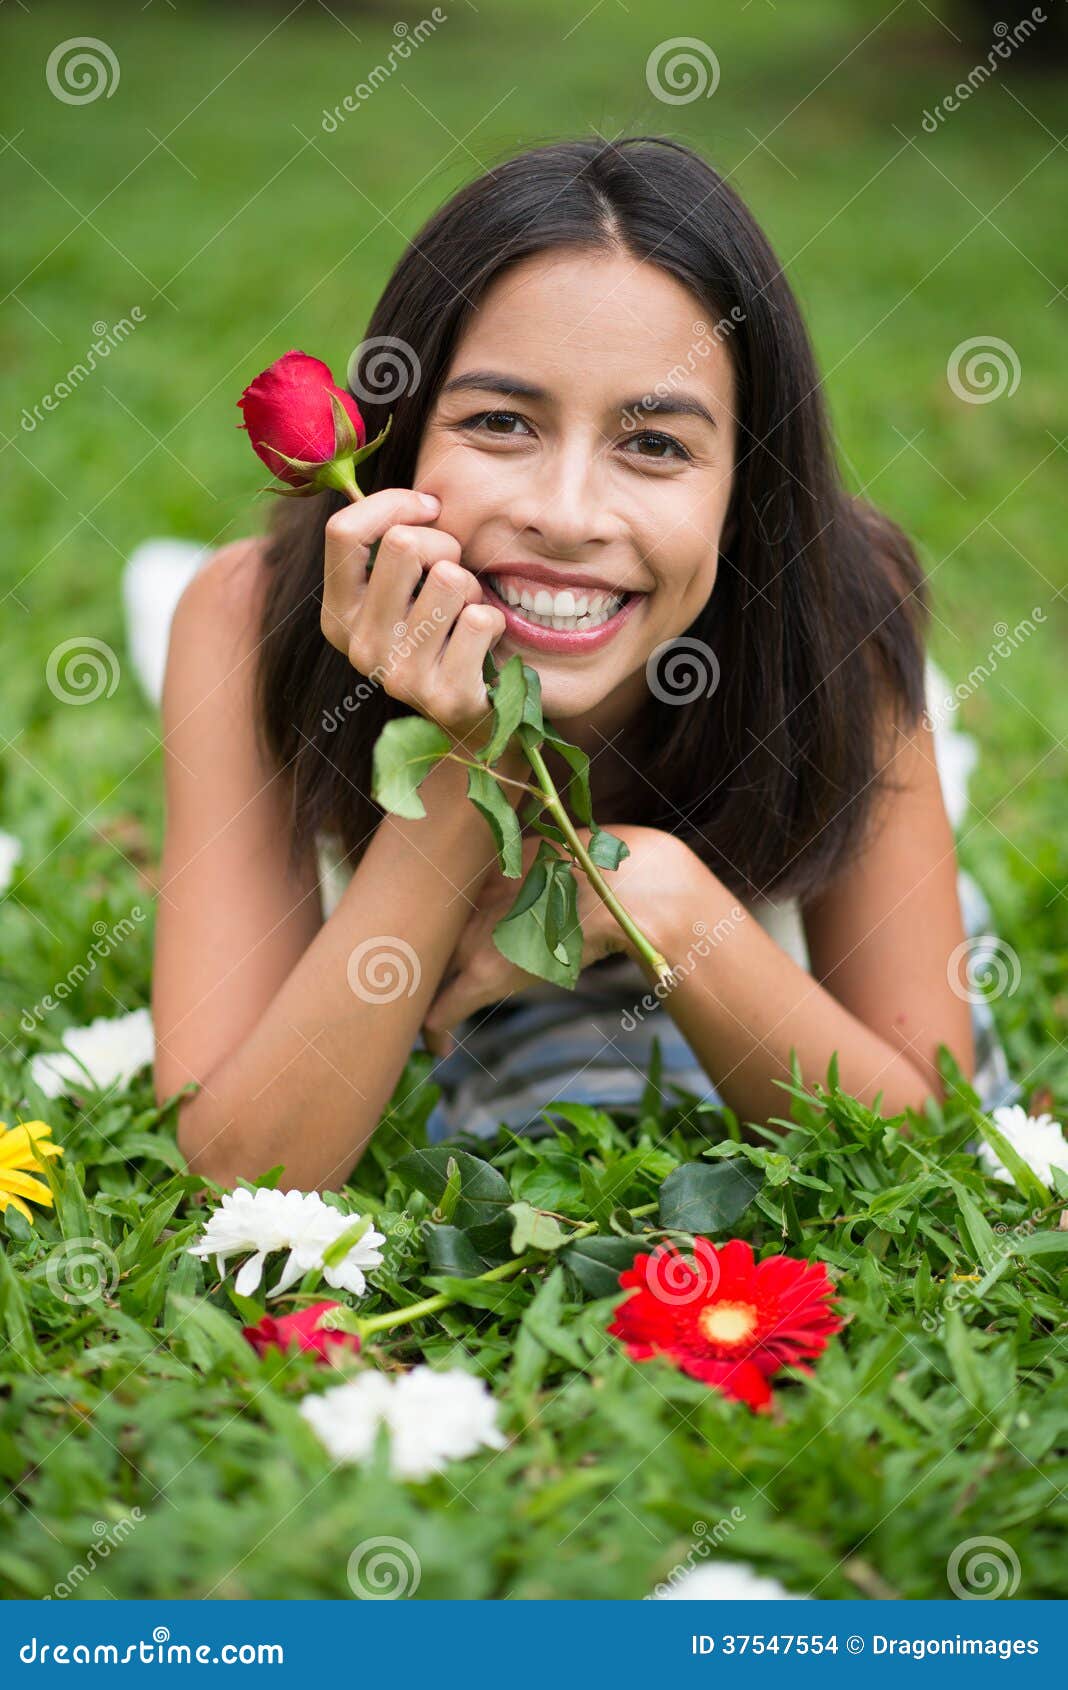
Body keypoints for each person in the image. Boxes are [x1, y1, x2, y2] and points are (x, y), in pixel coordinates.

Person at [144, 134, 1018, 1192]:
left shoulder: (838, 610)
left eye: (654, 444)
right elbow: (239, 1168)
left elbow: (921, 1145)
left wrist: (663, 899)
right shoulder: (246, 620)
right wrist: (475, 753)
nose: (565, 516)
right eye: (501, 421)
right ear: (403, 435)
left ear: (748, 481)